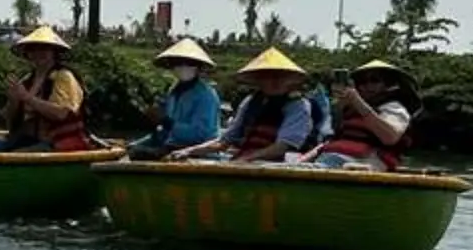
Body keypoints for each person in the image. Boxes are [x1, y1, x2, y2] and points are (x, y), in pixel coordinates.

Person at [170, 48, 314, 164]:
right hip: (244, 160)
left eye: (279, 76)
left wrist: (247, 159)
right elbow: (224, 141)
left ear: (288, 80)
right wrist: (189, 151)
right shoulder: (251, 102)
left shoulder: (297, 106)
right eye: (267, 76)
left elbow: (282, 147)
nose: (274, 81)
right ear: (258, 80)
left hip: (276, 165)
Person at [290, 60, 418, 170]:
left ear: (388, 84)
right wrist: (300, 161)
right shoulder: (350, 109)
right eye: (362, 81)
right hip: (333, 158)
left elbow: (390, 137)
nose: (367, 85)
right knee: (300, 163)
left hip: (368, 162)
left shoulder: (395, 108)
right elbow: (333, 140)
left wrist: (358, 102)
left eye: (374, 80)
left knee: (332, 162)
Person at [0, 26, 89, 152]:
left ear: (54, 51)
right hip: (27, 139)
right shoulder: (26, 80)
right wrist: (13, 101)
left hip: (57, 142)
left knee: (18, 154)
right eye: (32, 49)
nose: (37, 53)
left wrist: (27, 97)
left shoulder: (64, 76)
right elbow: (10, 124)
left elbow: (61, 114)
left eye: (43, 48)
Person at [127, 38, 221, 160]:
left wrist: (167, 122)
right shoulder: (173, 92)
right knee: (135, 151)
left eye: (189, 63)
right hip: (172, 147)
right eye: (178, 62)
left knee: (140, 154)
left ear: (198, 66)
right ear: (171, 65)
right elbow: (163, 133)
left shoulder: (206, 95)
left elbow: (201, 134)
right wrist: (135, 144)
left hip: (198, 152)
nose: (183, 66)